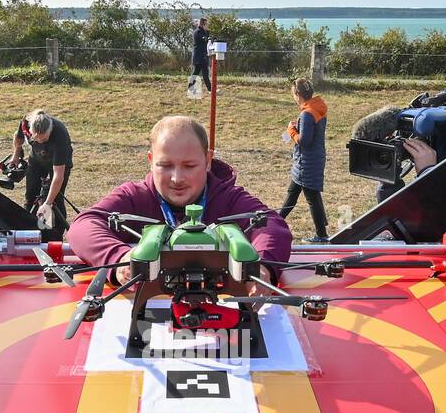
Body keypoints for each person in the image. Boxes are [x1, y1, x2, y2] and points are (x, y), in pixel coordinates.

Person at [69, 115, 292, 286]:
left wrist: (261, 268)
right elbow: (83, 226)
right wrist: (120, 259)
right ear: (150, 160)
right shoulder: (134, 196)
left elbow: (272, 225)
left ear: (207, 161)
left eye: (189, 166)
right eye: (165, 166)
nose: (177, 178)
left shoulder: (228, 197)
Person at [279, 77, 329, 241]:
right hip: (313, 159)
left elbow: (304, 141)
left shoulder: (307, 114)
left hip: (306, 162)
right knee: (295, 192)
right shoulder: (316, 108)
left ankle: (321, 234)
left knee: (311, 197)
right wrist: (298, 126)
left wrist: (291, 130)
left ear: (297, 94)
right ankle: (277, 221)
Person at [11, 109, 73, 240]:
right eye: (36, 139)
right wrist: (16, 153)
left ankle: (52, 236)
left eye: (44, 139)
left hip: (57, 164)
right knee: (30, 195)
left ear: (50, 131)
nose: (40, 142)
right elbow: (18, 137)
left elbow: (58, 175)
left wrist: (48, 203)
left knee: (53, 199)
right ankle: (28, 231)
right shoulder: (26, 122)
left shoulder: (59, 136)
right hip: (36, 160)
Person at [190, 17, 211, 95]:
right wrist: (207, 38)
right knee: (200, 73)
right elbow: (203, 39)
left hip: (202, 56)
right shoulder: (198, 32)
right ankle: (210, 90)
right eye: (207, 24)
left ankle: (191, 88)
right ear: (203, 24)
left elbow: (207, 39)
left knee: (197, 73)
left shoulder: (205, 32)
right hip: (199, 57)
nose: (208, 25)